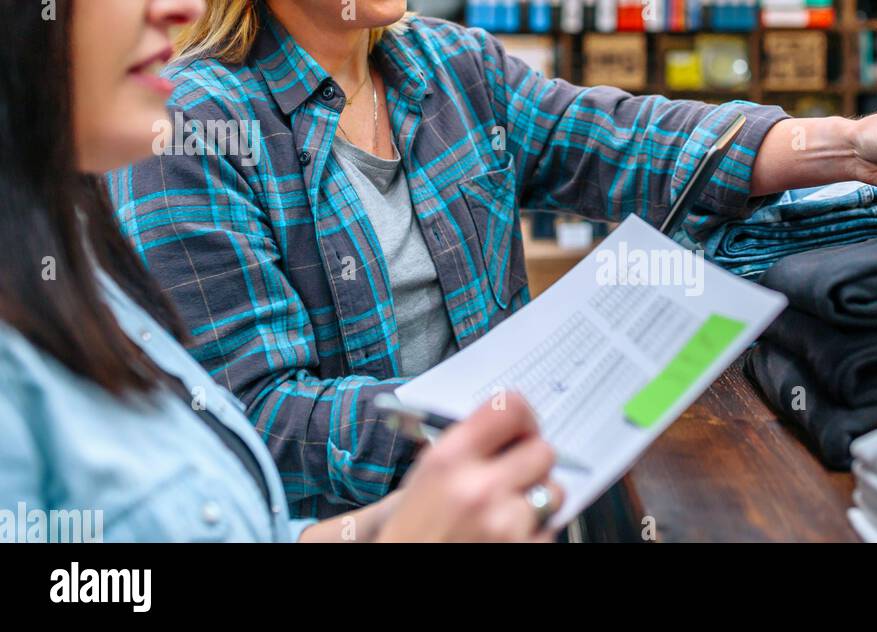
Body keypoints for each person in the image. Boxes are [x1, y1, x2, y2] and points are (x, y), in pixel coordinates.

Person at [109, 0, 877, 518]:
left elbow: (626, 140)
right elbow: (253, 418)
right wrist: (485, 420)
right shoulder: (190, 127)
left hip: (521, 505)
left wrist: (847, 143)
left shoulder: (447, 66)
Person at [0, 0, 562, 543]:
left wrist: (381, 530)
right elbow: (261, 411)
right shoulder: (191, 126)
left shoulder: (80, 272)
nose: (180, 8)